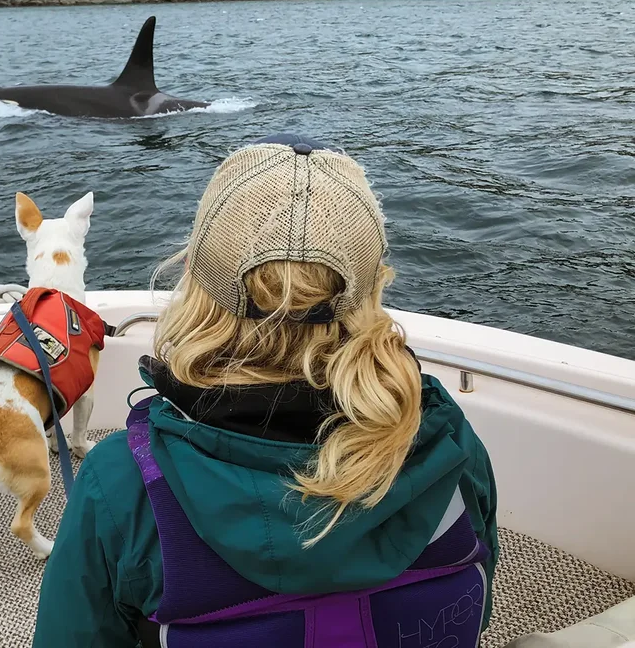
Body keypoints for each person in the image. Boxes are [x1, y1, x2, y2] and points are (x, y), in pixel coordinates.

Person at [32, 134, 499, 648]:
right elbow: (478, 611)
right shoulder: (448, 444)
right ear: (373, 290)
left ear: (192, 278)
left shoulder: (122, 484)